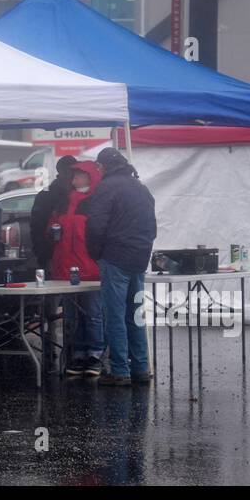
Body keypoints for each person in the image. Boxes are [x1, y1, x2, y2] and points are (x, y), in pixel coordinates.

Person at [82, 147, 157, 387]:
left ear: (103, 167)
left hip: (115, 257)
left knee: (114, 315)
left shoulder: (106, 188)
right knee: (135, 315)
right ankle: (141, 367)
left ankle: (119, 370)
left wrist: (97, 254)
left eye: (99, 166)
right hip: (139, 257)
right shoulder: (141, 188)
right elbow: (152, 226)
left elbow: (95, 226)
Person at [48, 160, 105, 376]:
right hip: (66, 267)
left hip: (90, 267)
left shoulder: (96, 201)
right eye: (74, 175)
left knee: (93, 313)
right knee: (72, 314)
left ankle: (96, 353)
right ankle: (78, 353)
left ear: (90, 177)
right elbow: (52, 227)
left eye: (79, 175)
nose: (74, 179)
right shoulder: (65, 201)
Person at [30, 155, 78, 271]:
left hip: (77, 253)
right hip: (53, 252)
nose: (69, 173)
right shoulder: (46, 195)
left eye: (72, 170)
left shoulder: (80, 193)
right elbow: (37, 228)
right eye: (67, 170)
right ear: (60, 171)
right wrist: (44, 257)